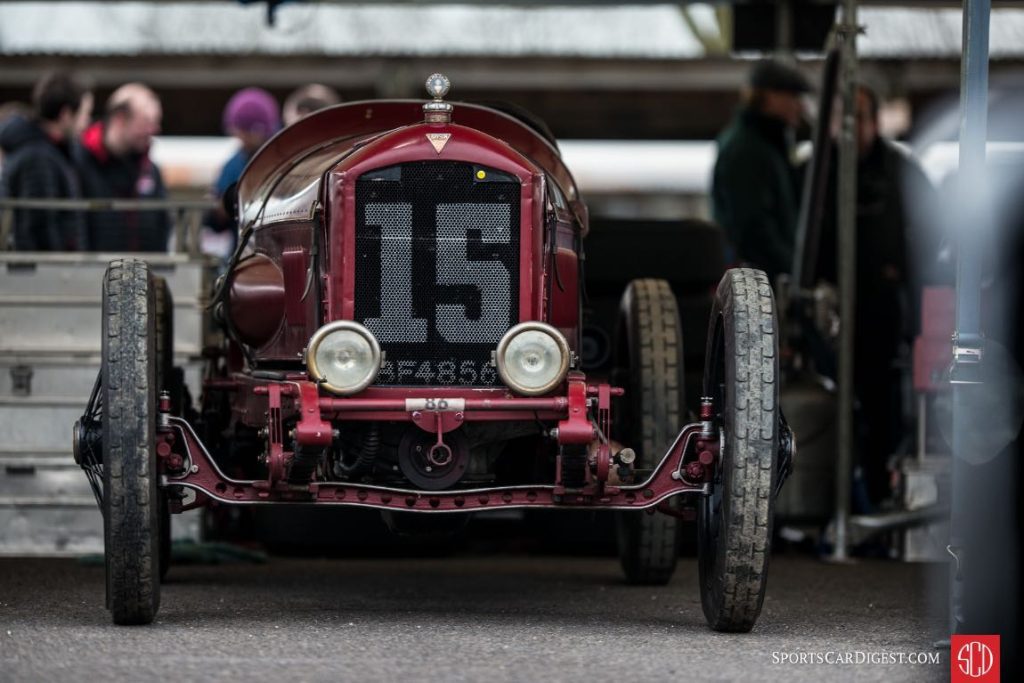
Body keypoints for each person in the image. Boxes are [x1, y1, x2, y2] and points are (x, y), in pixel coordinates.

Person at [817, 84, 939, 508]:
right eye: (841, 119)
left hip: (881, 309)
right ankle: (826, 502)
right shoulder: (816, 172)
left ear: (874, 121)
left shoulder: (900, 170)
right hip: (825, 308)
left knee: (881, 410)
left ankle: (877, 498)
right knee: (823, 408)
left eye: (859, 118)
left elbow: (936, 226)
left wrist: (902, 267)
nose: (851, 128)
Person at [711, 60, 810, 283]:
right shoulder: (746, 150)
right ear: (770, 97)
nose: (800, 107)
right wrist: (794, 269)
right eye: (793, 97)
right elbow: (753, 229)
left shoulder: (766, 145)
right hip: (756, 287)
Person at [0, 73, 92, 251]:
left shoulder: (52, 153)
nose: (86, 122)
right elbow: (38, 228)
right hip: (47, 275)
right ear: (66, 115)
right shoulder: (38, 159)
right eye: (84, 114)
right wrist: (58, 269)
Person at [75, 82, 170, 252]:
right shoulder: (79, 163)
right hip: (89, 274)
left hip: (142, 274)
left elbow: (162, 225)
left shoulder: (150, 170)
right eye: (147, 122)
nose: (154, 130)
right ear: (120, 119)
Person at [204, 87, 281, 256]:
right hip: (241, 254)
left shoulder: (283, 162)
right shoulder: (234, 164)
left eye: (244, 132)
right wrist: (217, 210)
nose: (240, 138)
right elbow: (214, 222)